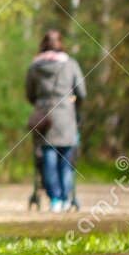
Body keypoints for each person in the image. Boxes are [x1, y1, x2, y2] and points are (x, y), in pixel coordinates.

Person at [25, 29, 86, 212]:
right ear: (61, 43)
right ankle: (66, 198)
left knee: (48, 159)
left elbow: (29, 94)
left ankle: (55, 199)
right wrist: (74, 105)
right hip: (66, 115)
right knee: (66, 160)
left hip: (44, 117)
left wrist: (41, 103)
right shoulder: (71, 64)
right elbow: (81, 92)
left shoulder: (35, 66)